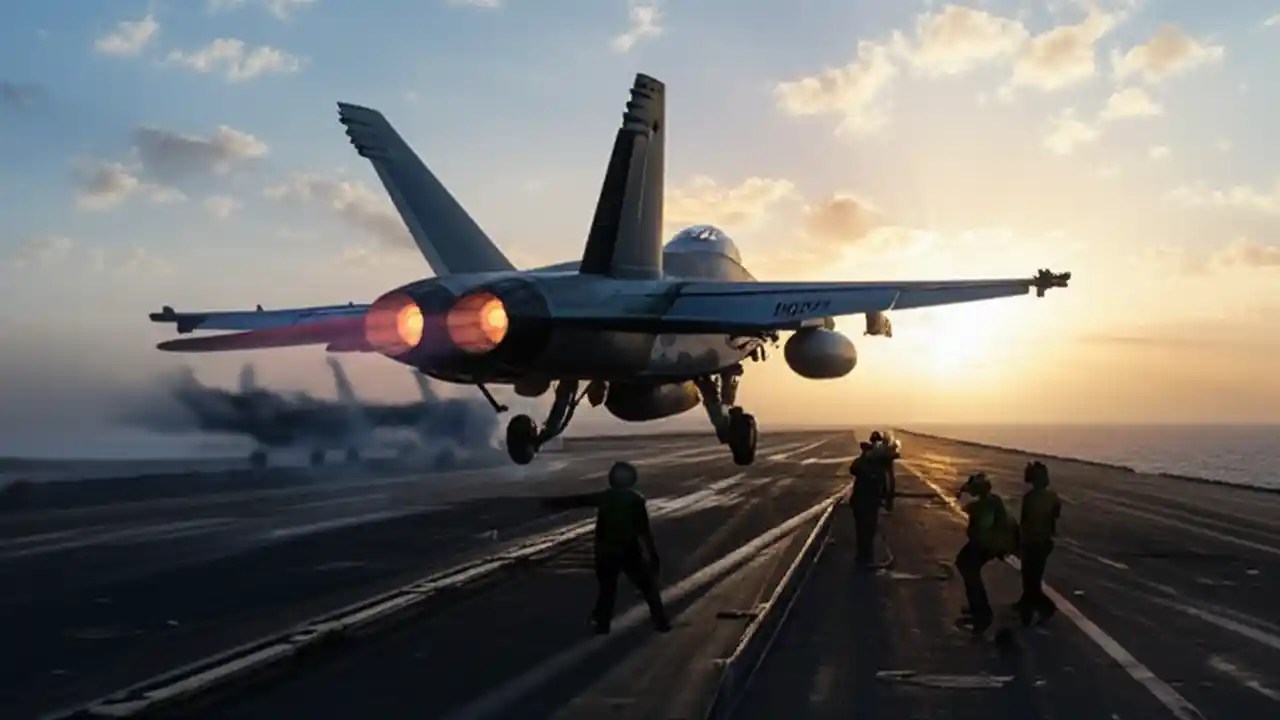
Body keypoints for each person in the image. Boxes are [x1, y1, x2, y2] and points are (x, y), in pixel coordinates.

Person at [544, 461, 671, 634]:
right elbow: (644, 529)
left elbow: (580, 501)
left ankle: (603, 624)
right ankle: (660, 621)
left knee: (607, 591)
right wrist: (652, 552)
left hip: (606, 551)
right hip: (629, 550)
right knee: (648, 588)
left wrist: (552, 503)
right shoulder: (636, 499)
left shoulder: (606, 497)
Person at [954, 472, 1016, 633]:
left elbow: (981, 528)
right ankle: (977, 608)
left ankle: (981, 615)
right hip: (992, 543)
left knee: (968, 569)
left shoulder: (982, 506)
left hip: (987, 544)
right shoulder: (993, 499)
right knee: (965, 565)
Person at [1018, 461, 1061, 625]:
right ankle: (1026, 608)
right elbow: (1054, 518)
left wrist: (1020, 543)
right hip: (1044, 542)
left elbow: (1025, 522)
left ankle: (1043, 608)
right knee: (1033, 578)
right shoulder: (1053, 498)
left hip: (1032, 542)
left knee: (1030, 580)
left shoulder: (1029, 498)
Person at [849, 440, 887, 566]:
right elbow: (854, 469)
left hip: (869, 503)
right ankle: (863, 558)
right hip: (862, 502)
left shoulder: (875, 465)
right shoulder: (863, 464)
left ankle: (865, 557)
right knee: (863, 531)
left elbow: (882, 483)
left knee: (868, 531)